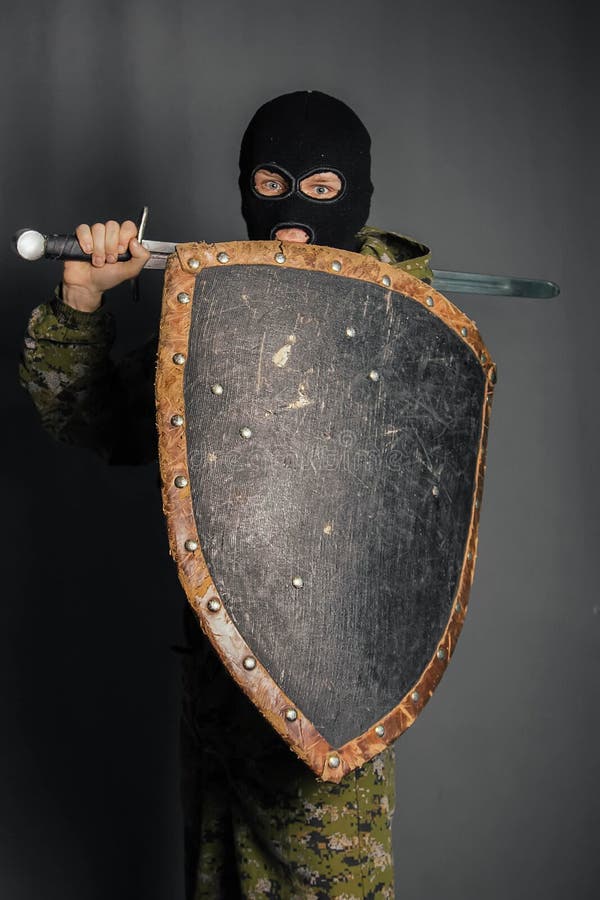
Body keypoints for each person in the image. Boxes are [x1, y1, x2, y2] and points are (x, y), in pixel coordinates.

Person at [20, 91, 433, 899]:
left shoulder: (396, 324)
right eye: (271, 184)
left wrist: (354, 295)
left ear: (355, 197)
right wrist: (84, 297)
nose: (291, 216)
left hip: (320, 712)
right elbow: (93, 420)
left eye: (321, 189)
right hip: (218, 696)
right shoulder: (216, 310)